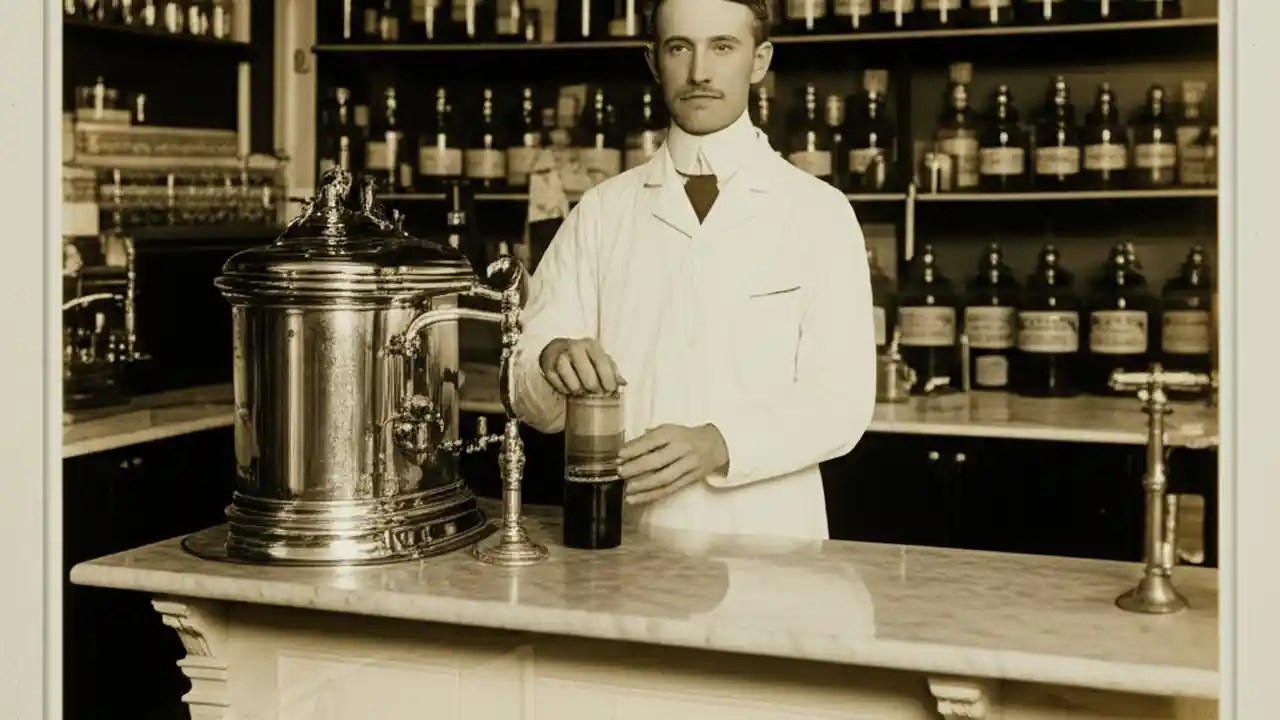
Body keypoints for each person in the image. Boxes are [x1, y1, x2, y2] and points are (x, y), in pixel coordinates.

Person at [511, 0, 877, 540]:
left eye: (723, 47)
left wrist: (720, 443)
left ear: (759, 60)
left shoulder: (820, 213)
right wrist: (552, 356)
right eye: (680, 47)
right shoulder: (601, 212)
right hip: (626, 538)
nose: (700, 72)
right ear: (655, 61)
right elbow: (525, 388)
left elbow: (842, 402)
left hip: (771, 548)